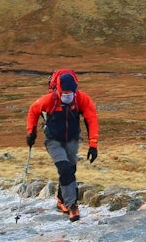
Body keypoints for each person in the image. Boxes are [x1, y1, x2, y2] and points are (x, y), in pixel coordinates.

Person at [26, 70, 99, 222]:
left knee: (70, 170)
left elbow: (91, 119)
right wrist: (31, 132)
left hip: (72, 139)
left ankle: (61, 200)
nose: (67, 95)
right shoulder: (49, 100)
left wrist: (93, 144)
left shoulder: (82, 99)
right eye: (64, 93)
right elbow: (33, 110)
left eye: (70, 93)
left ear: (75, 89)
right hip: (53, 141)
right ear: (58, 89)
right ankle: (72, 205)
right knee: (65, 169)